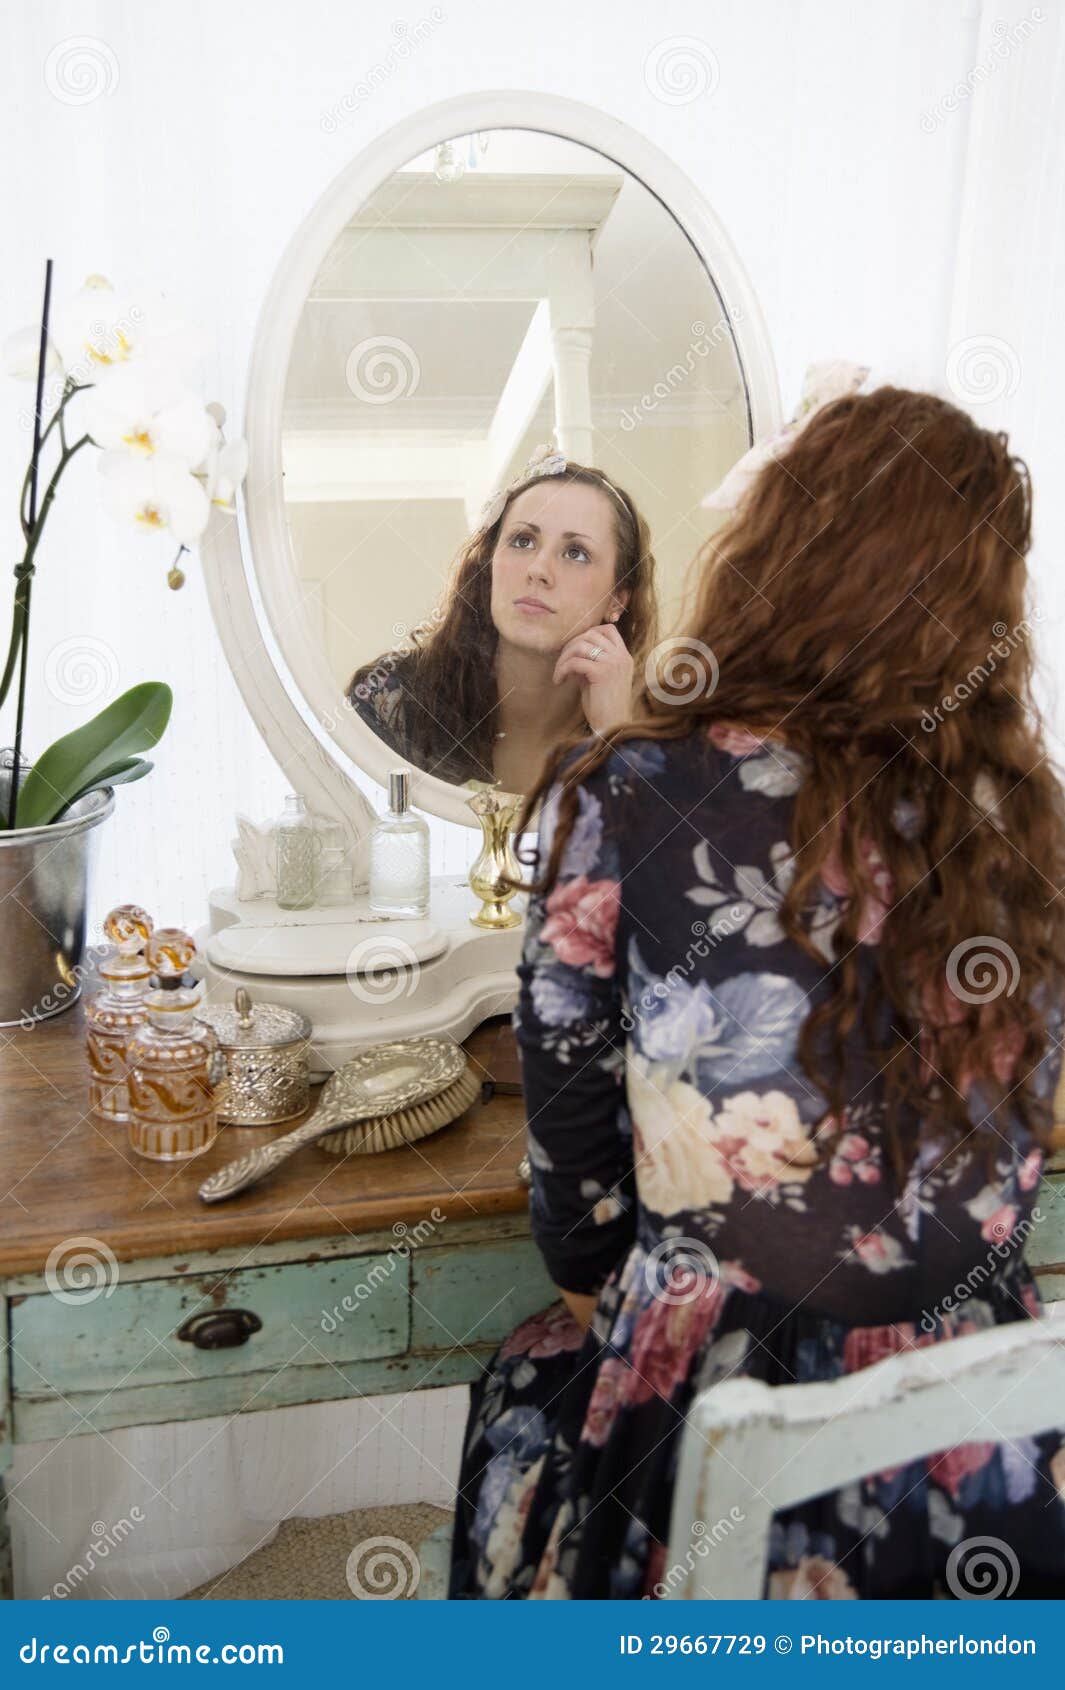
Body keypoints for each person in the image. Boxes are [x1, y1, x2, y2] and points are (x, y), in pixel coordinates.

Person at [446, 385, 1065, 1599]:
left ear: (781, 554)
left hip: (710, 1425)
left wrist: (624, 1295)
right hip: (982, 1431)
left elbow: (570, 1144)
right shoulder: (1027, 832)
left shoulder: (629, 790)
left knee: (521, 1384)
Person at [346, 448, 659, 793]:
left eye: (576, 553)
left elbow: (657, 844)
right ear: (489, 564)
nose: (538, 570)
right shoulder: (391, 699)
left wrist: (612, 734)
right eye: (523, 541)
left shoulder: (658, 729)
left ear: (617, 599)